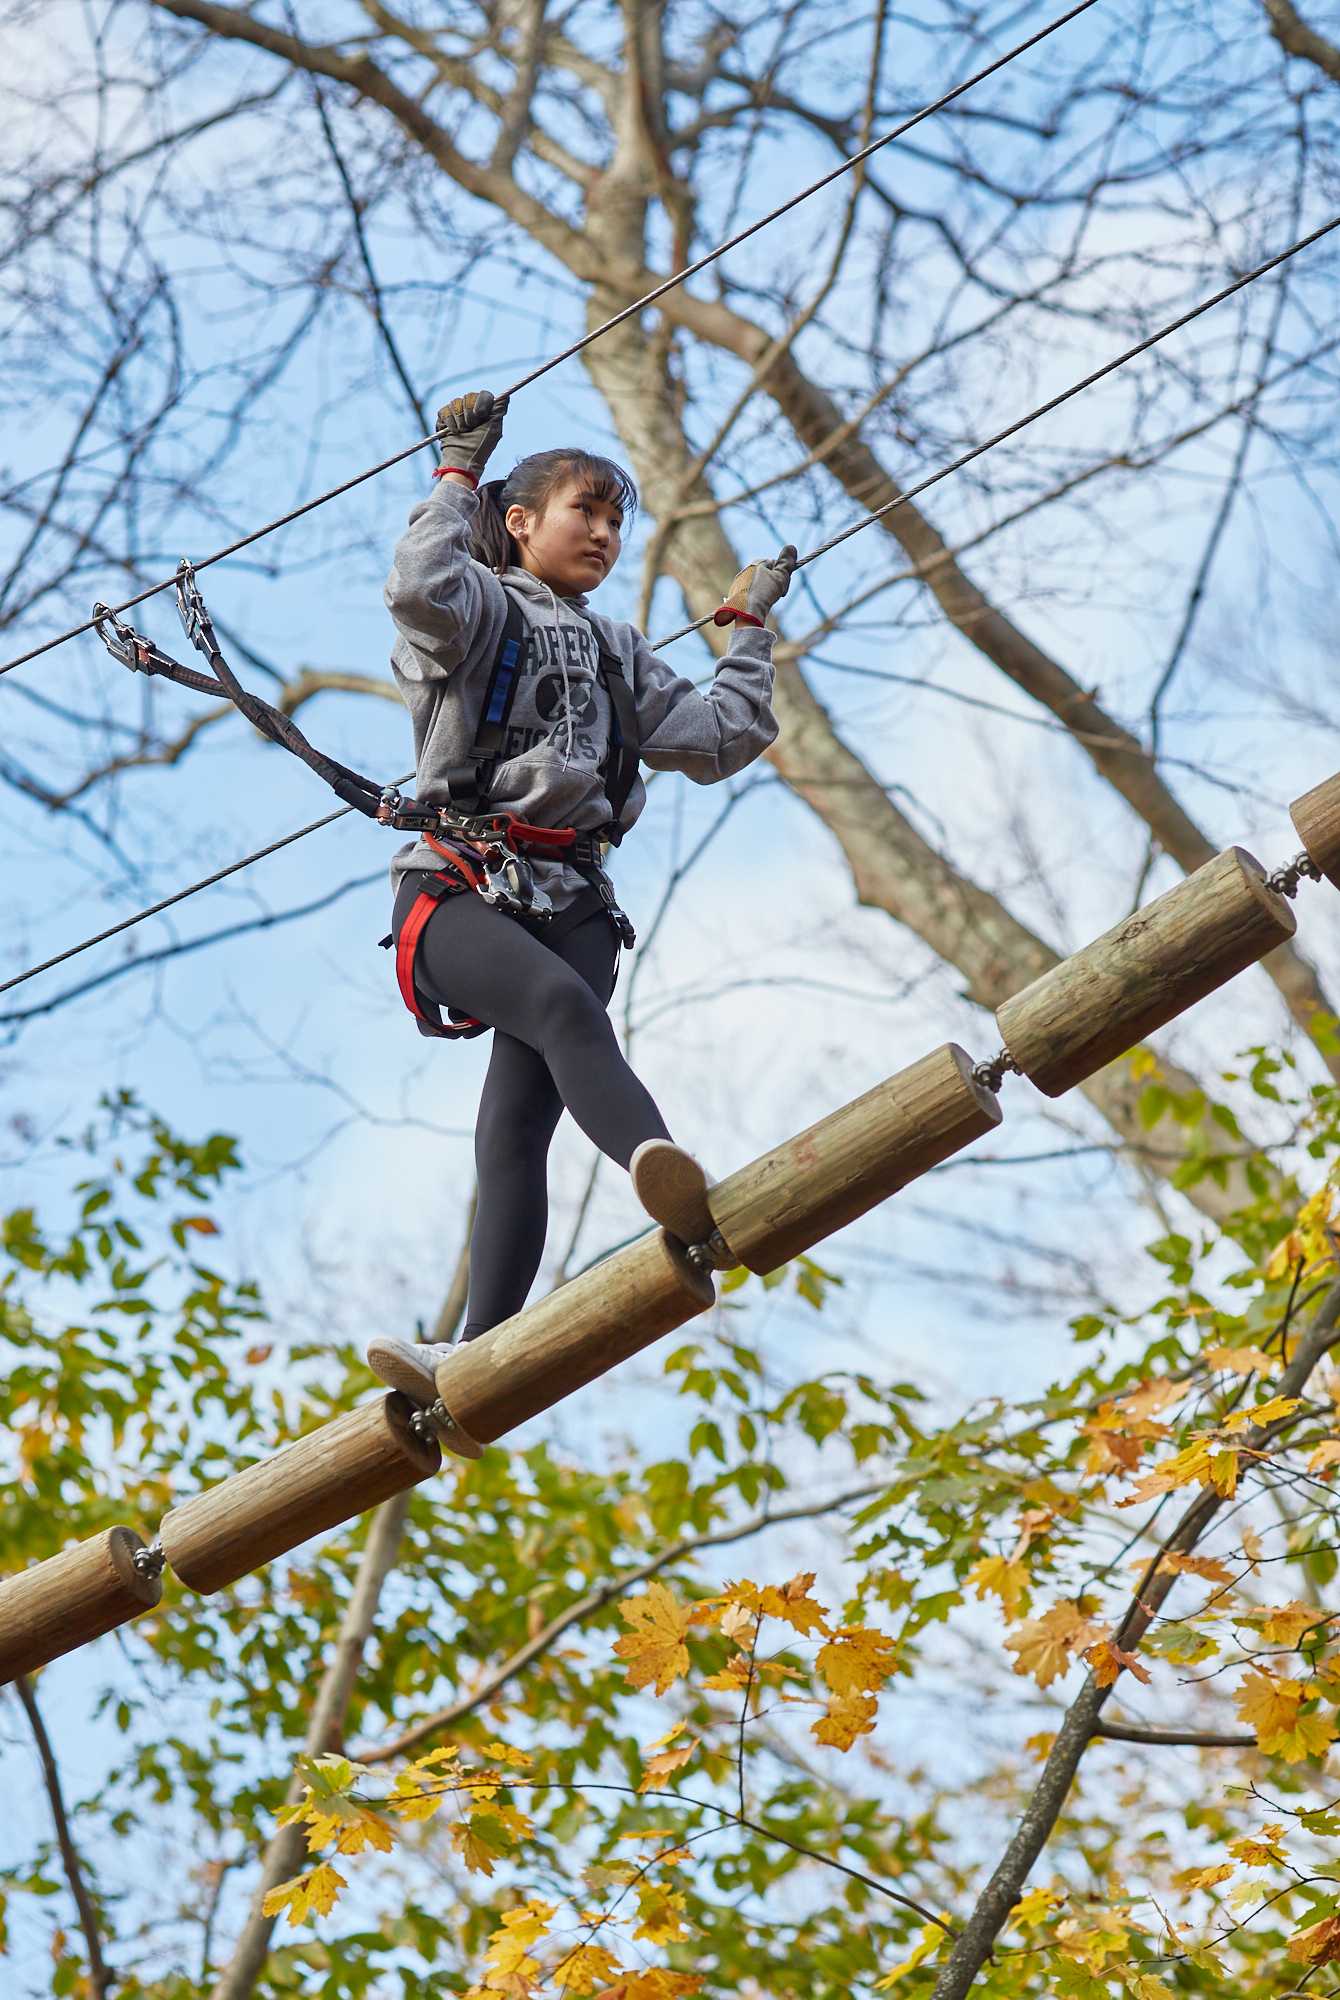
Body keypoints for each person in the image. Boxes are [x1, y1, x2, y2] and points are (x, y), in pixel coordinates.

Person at [366, 389, 794, 1404]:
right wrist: (457, 473)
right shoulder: (472, 607)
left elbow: (712, 737)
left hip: (573, 901)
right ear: (519, 523)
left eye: (614, 520)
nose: (602, 533)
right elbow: (418, 590)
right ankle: (661, 1165)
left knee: (514, 1129)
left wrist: (743, 630)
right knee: (558, 1009)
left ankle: (475, 1360)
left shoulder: (615, 647)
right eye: (582, 513)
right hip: (461, 885)